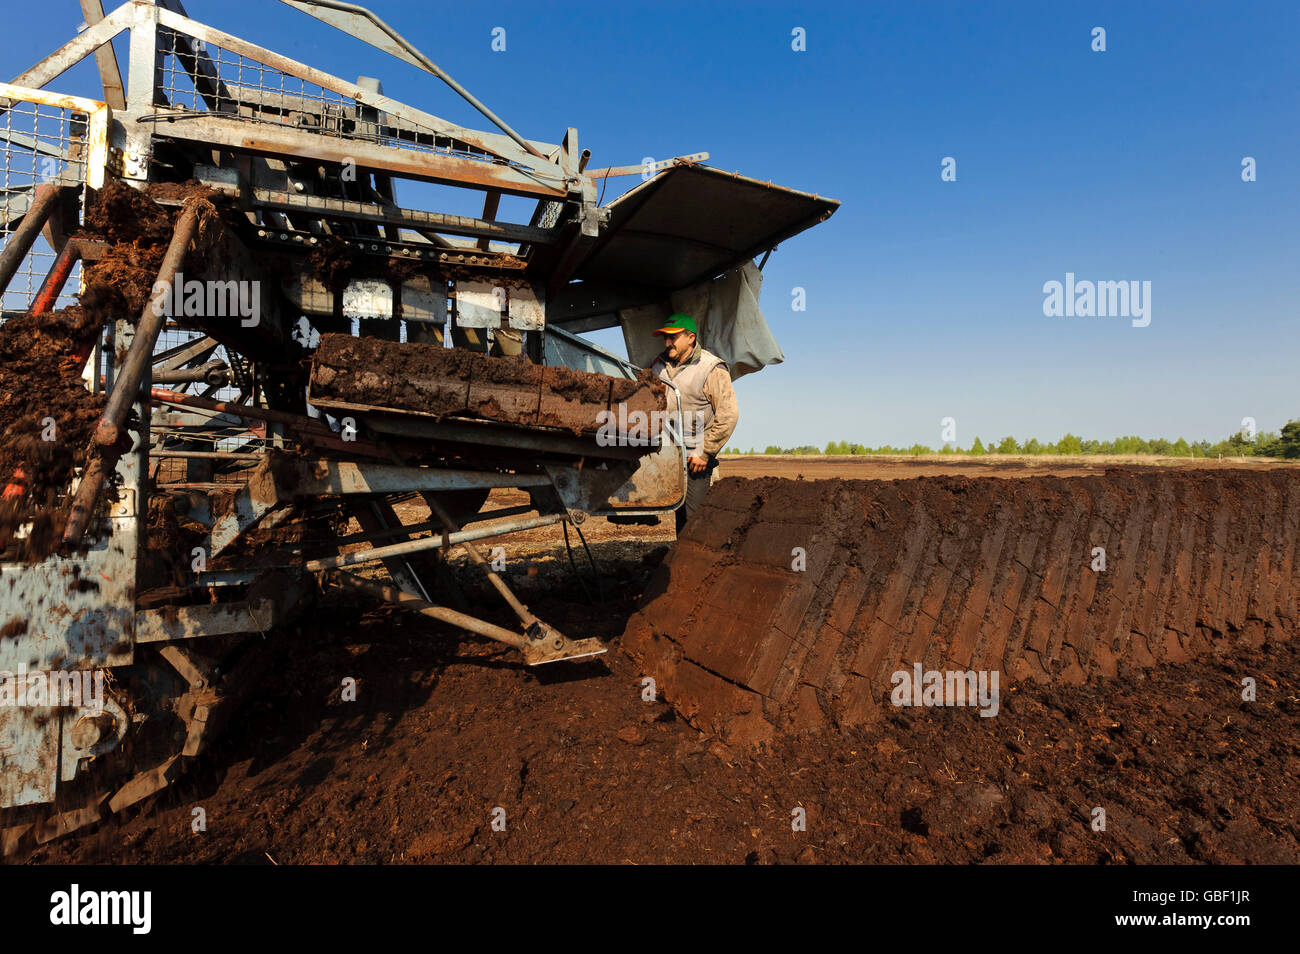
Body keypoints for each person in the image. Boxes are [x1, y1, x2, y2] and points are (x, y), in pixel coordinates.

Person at [650, 314, 738, 535]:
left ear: (690, 338)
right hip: (669, 453)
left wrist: (706, 452)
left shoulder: (711, 368)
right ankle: (681, 563)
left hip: (696, 456)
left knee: (694, 518)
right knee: (679, 514)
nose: (668, 343)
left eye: (673, 337)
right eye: (665, 338)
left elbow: (728, 415)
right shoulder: (658, 366)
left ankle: (700, 561)